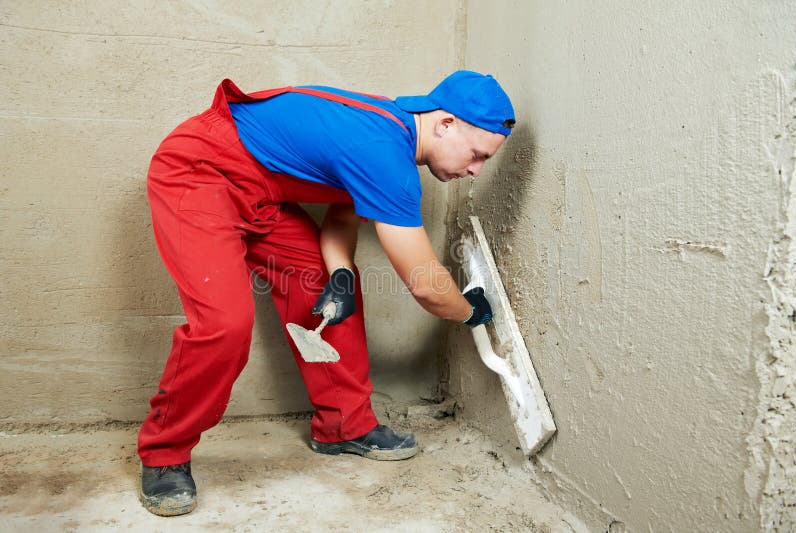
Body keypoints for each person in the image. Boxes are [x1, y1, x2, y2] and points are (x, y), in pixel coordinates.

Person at [137, 70, 515, 516]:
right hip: (200, 172)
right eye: (477, 155)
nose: (475, 170)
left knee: (327, 283)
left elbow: (341, 215)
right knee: (225, 324)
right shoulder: (383, 153)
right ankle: (163, 453)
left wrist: (338, 274)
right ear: (446, 123)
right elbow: (426, 285)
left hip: (261, 191)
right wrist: (469, 311)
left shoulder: (389, 134)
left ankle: (343, 425)